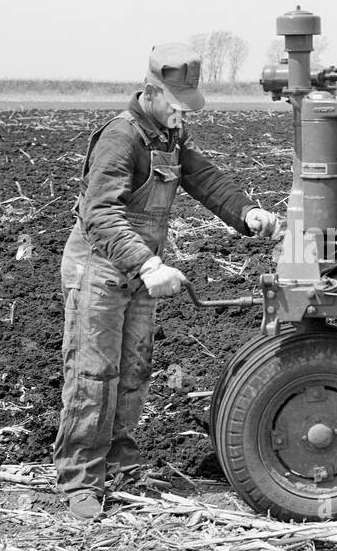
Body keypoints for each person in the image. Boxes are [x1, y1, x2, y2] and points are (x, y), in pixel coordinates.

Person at [53, 42, 277, 519]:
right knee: (93, 375)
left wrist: (247, 212)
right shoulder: (122, 138)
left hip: (138, 271)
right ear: (152, 93)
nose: (181, 117)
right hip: (100, 268)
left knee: (133, 371)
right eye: (176, 107)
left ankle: (122, 468)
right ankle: (80, 483)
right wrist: (148, 265)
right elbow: (98, 214)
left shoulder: (167, 136)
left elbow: (203, 178)